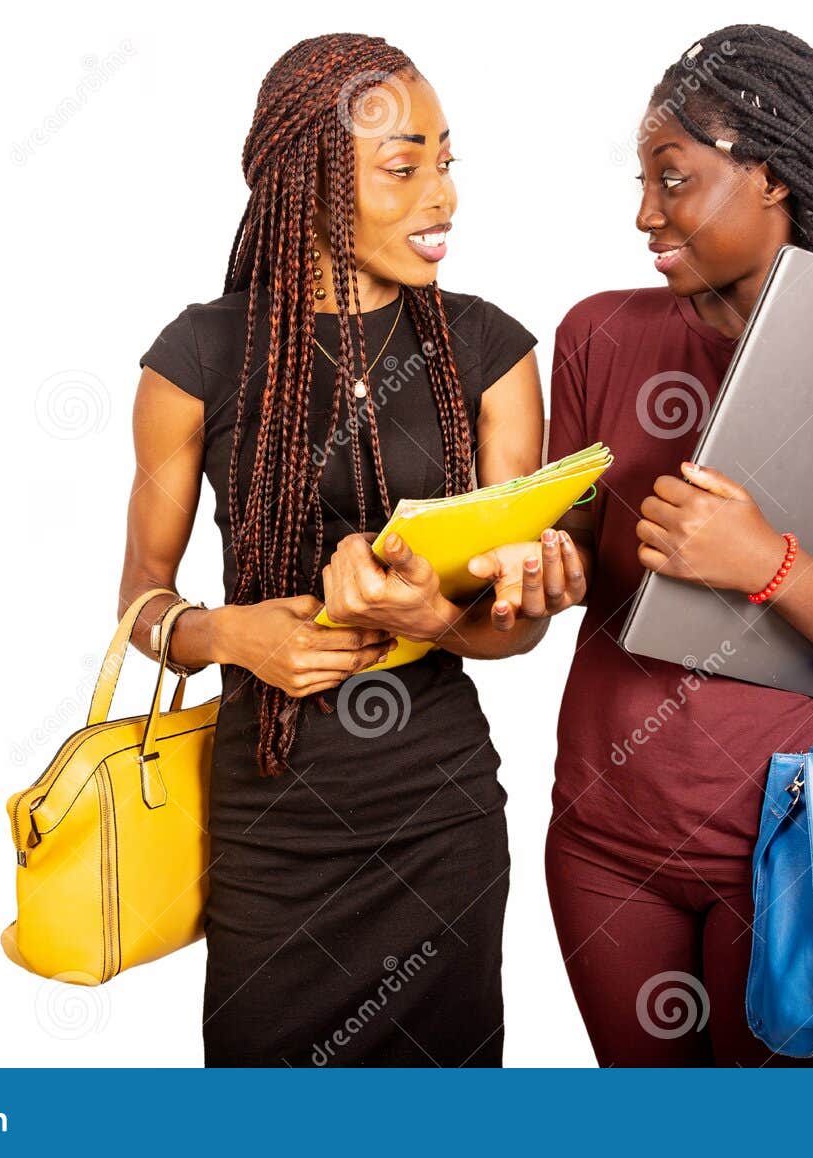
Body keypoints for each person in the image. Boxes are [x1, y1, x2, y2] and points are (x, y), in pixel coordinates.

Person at [124, 34, 583, 1066]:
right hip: (270, 823)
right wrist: (232, 635)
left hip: (438, 815)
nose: (444, 199)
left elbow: (511, 632)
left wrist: (446, 620)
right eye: (404, 167)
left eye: (447, 163)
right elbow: (141, 608)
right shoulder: (197, 358)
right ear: (314, 181)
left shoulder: (490, 351)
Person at [545, 24, 813, 1066]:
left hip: (792, 850)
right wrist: (529, 570)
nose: (645, 212)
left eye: (674, 179)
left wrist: (762, 564)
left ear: (769, 177)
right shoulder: (598, 334)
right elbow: (562, 544)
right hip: (603, 842)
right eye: (642, 180)